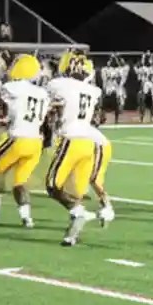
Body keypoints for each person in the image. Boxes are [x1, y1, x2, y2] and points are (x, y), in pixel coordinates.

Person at [0, 54, 51, 228]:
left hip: (17, 138)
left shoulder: (11, 88)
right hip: (35, 142)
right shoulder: (42, 92)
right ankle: (27, 218)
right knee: (19, 182)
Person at [45, 54, 103, 246]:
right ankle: (73, 233)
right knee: (75, 190)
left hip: (71, 139)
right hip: (89, 142)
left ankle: (79, 212)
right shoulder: (94, 90)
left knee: (53, 184)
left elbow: (51, 101)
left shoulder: (59, 84)